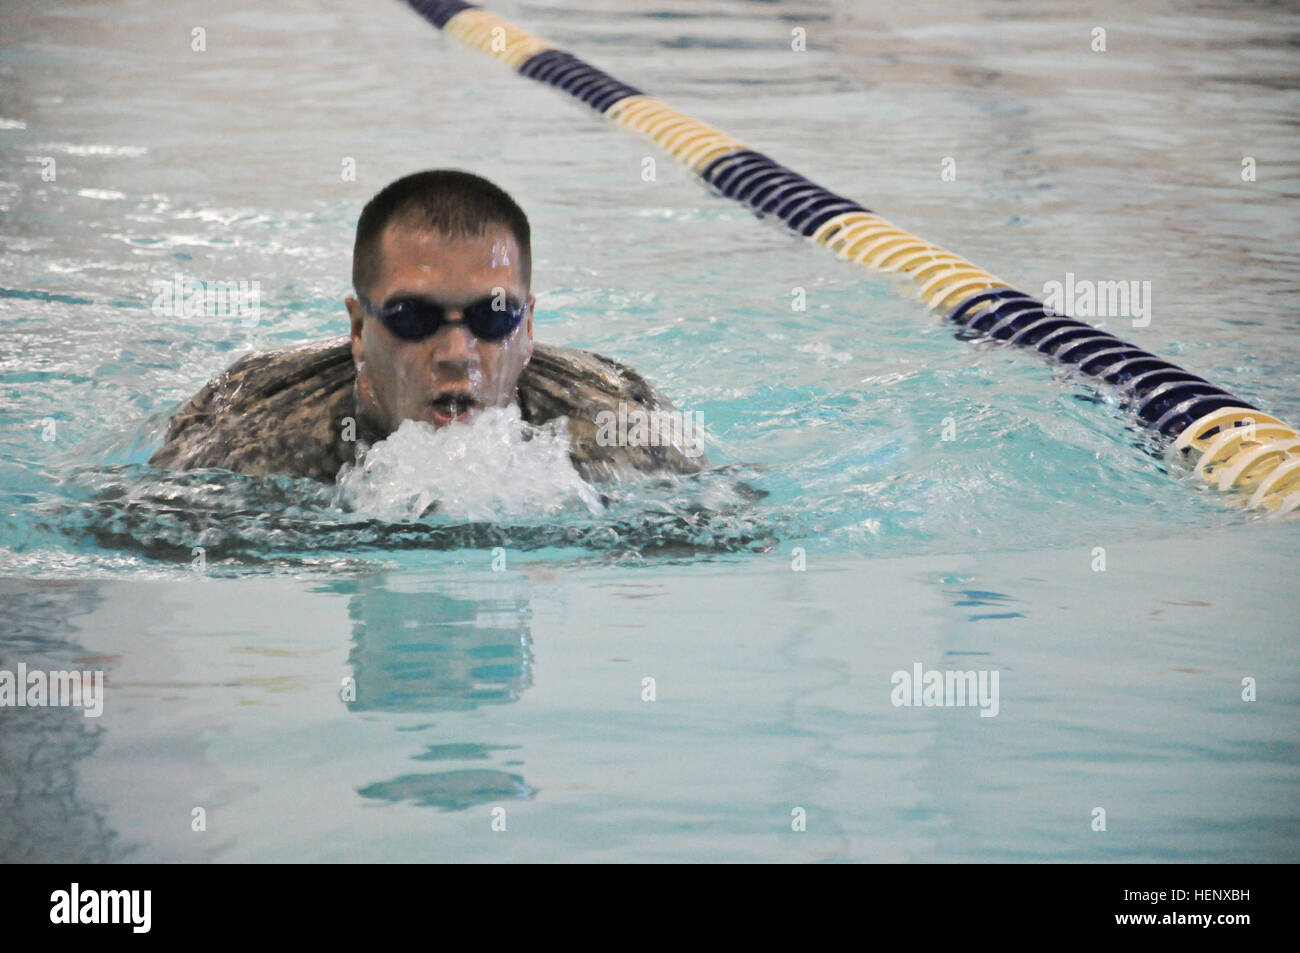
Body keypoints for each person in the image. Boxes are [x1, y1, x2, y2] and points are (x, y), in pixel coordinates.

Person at [149, 170, 706, 484]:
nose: (457, 352)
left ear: (529, 326)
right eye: (413, 317)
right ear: (359, 328)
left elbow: (737, 531)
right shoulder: (254, 440)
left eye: (493, 317)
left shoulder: (616, 431)